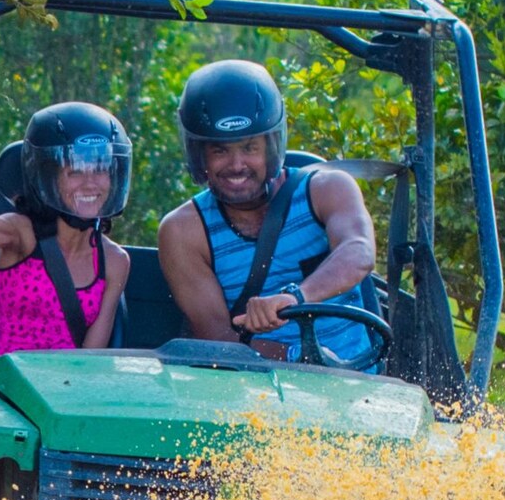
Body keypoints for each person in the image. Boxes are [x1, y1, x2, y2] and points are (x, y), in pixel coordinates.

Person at [157, 60, 377, 365]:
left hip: (358, 382)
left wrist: (294, 298)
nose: (236, 165)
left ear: (271, 147)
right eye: (220, 150)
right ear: (199, 155)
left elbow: (359, 251)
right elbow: (219, 340)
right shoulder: (183, 231)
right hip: (255, 388)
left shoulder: (328, 188)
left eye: (249, 148)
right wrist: (298, 357)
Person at [0, 102, 134, 368]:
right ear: (50, 179)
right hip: (5, 391)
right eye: (75, 172)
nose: (90, 183)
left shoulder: (115, 261)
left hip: (64, 392)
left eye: (100, 171)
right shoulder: (23, 233)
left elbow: (90, 358)